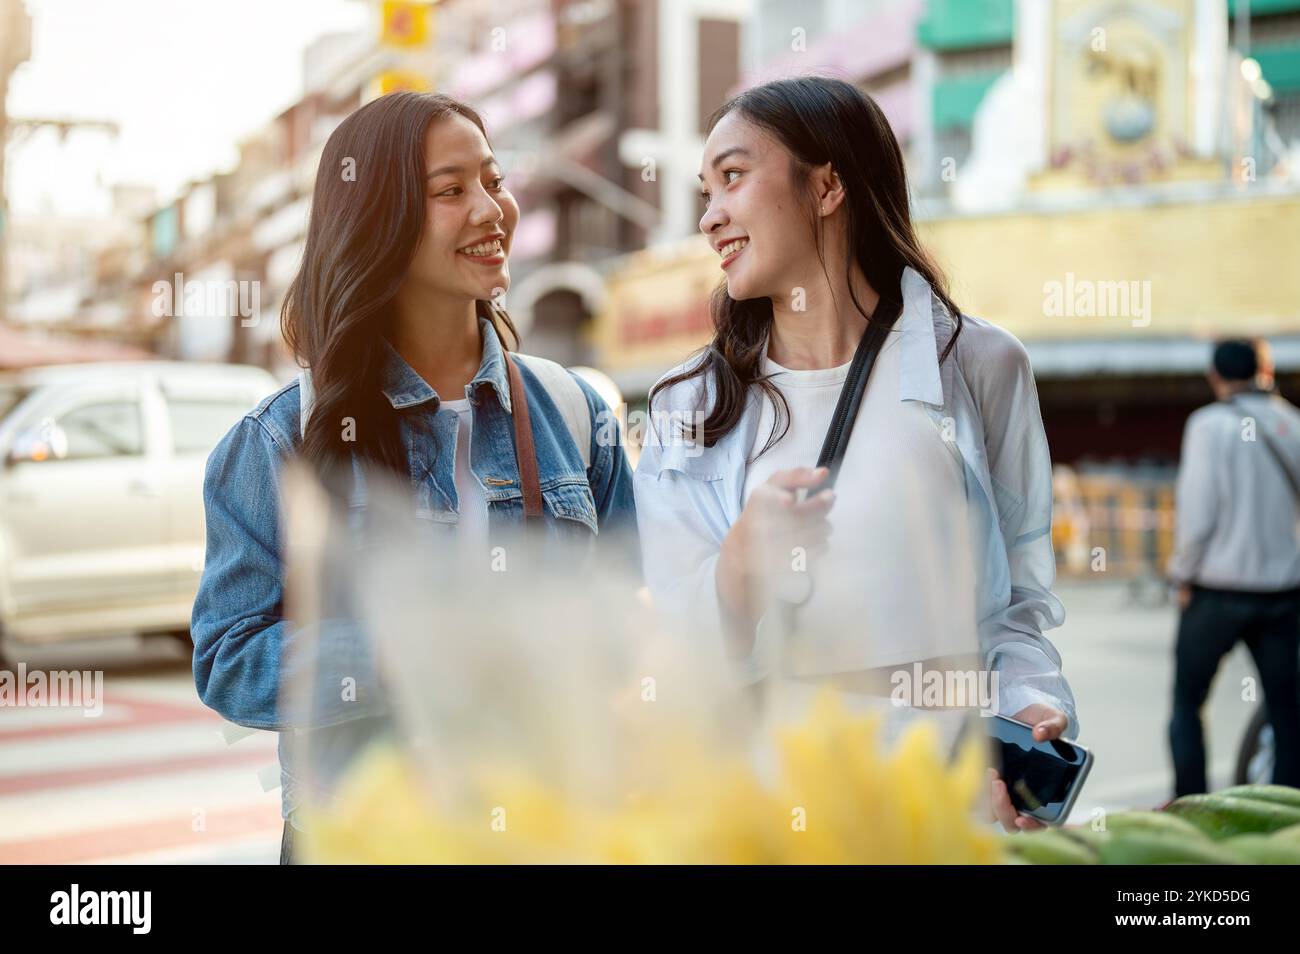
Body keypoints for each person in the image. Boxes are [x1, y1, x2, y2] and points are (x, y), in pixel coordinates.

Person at [190, 92, 637, 863]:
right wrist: (405, 651)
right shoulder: (278, 442)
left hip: (547, 829)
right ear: (377, 220)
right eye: (450, 190)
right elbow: (230, 662)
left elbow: (633, 620)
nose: (492, 209)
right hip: (365, 839)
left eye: (494, 182)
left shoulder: (576, 412)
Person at [633, 77, 1079, 833]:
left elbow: (1015, 614)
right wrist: (740, 567)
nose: (710, 216)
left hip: (949, 803)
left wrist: (1033, 709)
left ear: (828, 184)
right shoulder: (688, 404)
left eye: (733, 177)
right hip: (773, 812)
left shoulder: (981, 366)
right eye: (704, 192)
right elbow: (673, 655)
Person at [1167, 337, 1300, 795]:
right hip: (1285, 594)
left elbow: (1197, 513)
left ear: (1216, 376)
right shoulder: (1293, 423)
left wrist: (1181, 575)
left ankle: (1193, 807)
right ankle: (1286, 813)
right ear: (1266, 370)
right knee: (1288, 713)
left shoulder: (1207, 425)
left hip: (1216, 592)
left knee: (1188, 704)